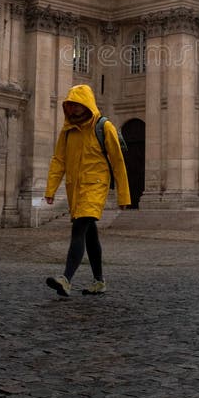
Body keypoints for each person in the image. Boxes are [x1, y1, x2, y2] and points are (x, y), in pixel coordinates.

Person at [44, 84, 130, 298]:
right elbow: (58, 161)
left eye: (76, 104)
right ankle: (99, 281)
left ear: (86, 104)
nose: (72, 109)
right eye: (70, 105)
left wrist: (123, 195)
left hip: (95, 186)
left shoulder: (104, 126)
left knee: (79, 229)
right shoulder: (67, 131)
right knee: (90, 235)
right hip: (75, 188)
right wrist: (50, 189)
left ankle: (65, 279)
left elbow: (118, 162)